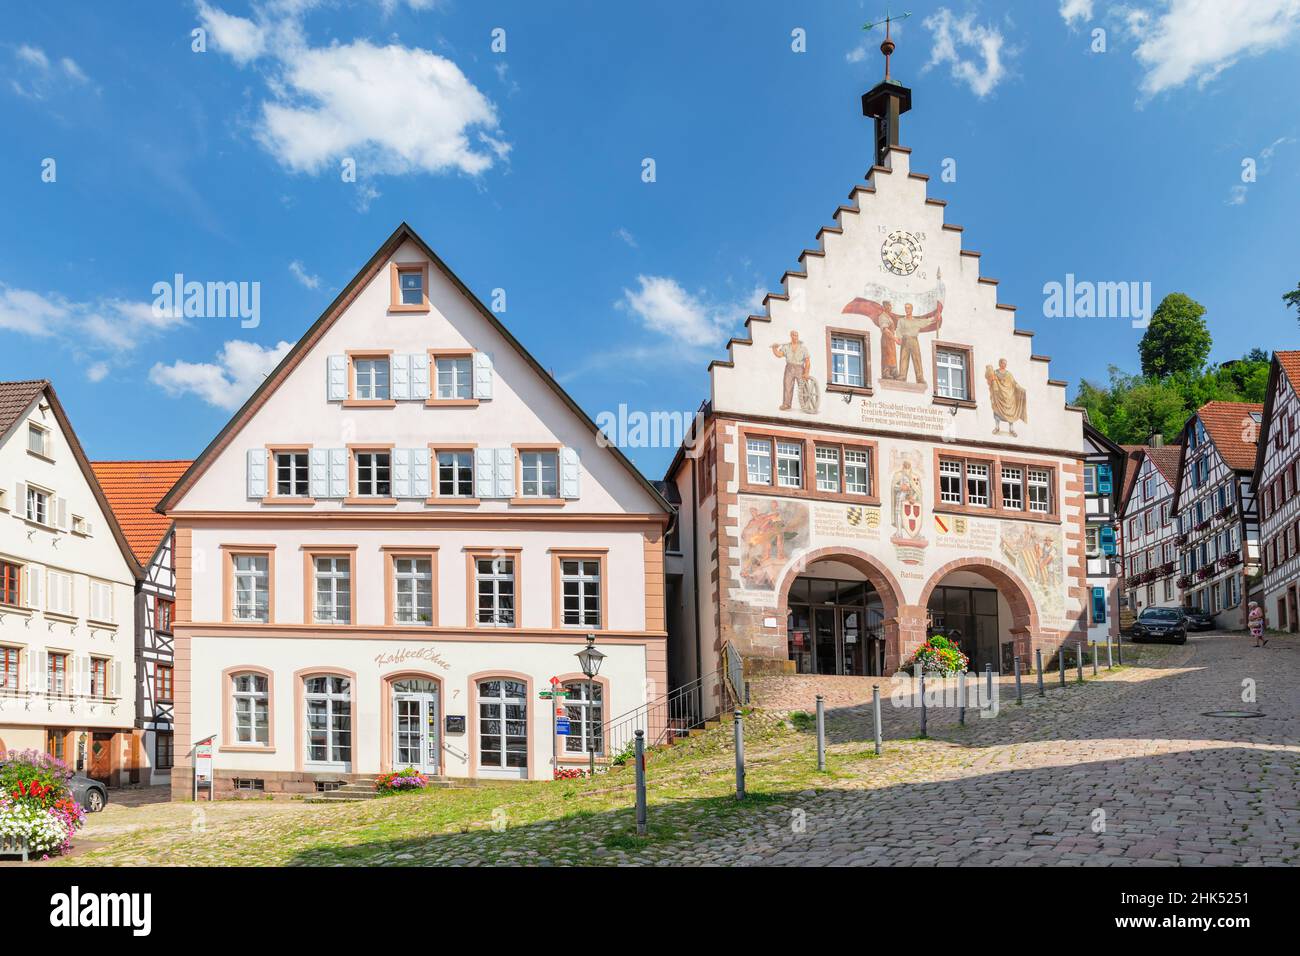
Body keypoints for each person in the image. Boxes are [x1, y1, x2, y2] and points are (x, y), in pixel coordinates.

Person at [771, 331, 810, 411]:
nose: (795, 337)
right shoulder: (786, 347)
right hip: (789, 368)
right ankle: (786, 404)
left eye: (796, 335)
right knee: (787, 385)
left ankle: (806, 405)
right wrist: (774, 349)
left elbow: (807, 361)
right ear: (791, 336)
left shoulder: (803, 348)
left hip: (800, 368)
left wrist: (806, 372)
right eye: (794, 335)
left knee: (803, 387)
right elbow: (779, 355)